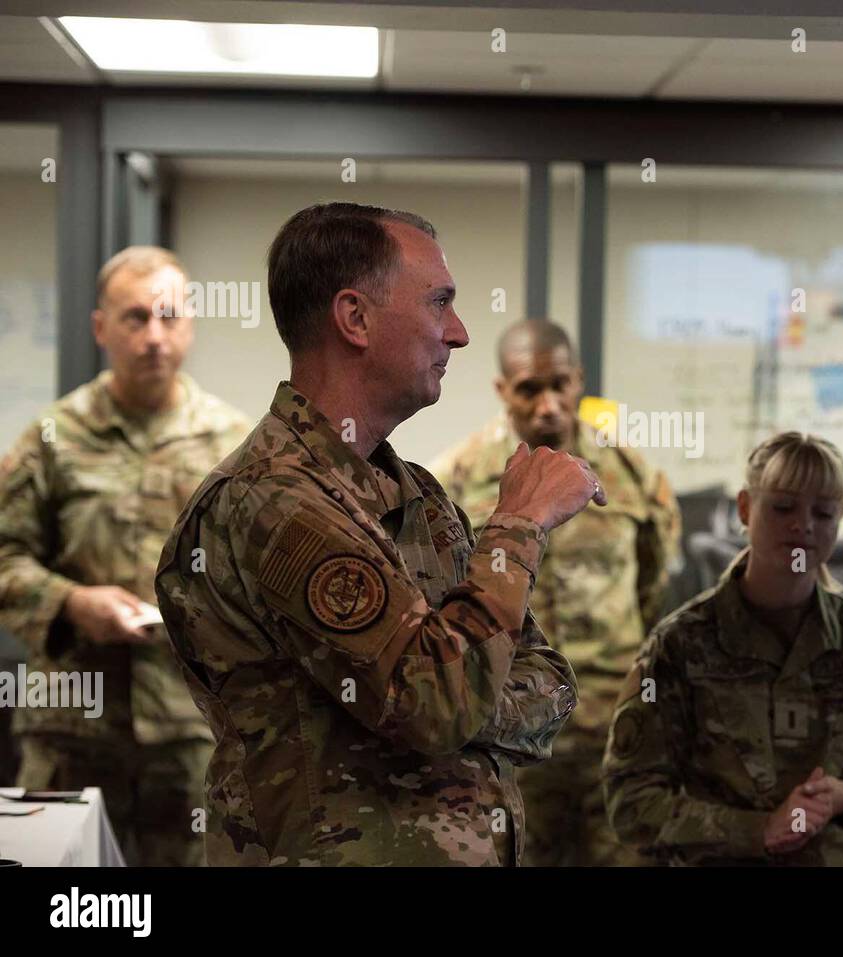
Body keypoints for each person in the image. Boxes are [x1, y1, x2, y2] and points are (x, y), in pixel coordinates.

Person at [154, 202, 601, 866]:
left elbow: (548, 682)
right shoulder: (273, 502)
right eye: (439, 303)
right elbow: (436, 702)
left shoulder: (413, 490)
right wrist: (519, 524)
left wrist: (462, 692)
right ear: (355, 318)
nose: (459, 333)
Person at [0, 246, 249, 865]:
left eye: (168, 317)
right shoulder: (53, 438)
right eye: (135, 318)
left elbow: (260, 583)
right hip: (74, 726)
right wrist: (70, 601)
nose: (153, 337)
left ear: (190, 324)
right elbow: (5, 557)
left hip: (191, 730)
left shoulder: (233, 445)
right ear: (100, 328)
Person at [602, 432, 843, 865]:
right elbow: (632, 803)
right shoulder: (681, 647)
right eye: (783, 507)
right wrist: (757, 830)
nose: (803, 525)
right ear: (745, 508)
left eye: (823, 512)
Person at [432, 317, 680, 866]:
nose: (547, 405)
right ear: (502, 390)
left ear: (579, 381)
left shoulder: (633, 476)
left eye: (559, 384)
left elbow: (651, 587)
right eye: (528, 389)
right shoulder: (455, 479)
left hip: (611, 731)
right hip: (507, 736)